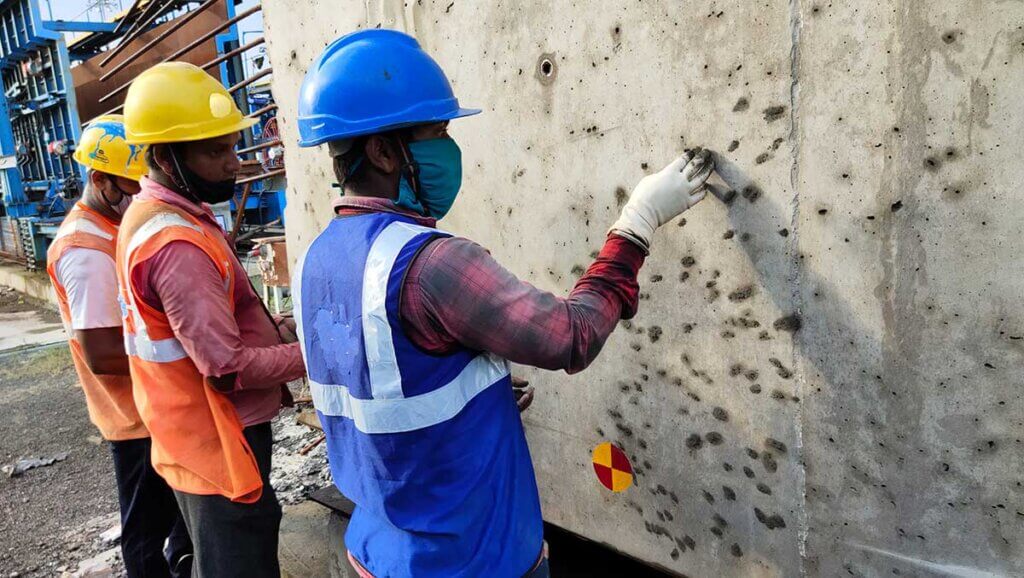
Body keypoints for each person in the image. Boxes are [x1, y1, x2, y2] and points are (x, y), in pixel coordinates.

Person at [293, 29, 714, 578]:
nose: (448, 148)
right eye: (437, 132)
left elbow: (376, 390)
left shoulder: (314, 261)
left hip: (376, 551)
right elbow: (571, 335)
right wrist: (637, 223)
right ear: (381, 149)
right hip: (471, 558)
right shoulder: (433, 265)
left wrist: (477, 397)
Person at [117, 62, 305, 578]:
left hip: (187, 432)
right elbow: (225, 366)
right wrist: (311, 355)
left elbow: (206, 324)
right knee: (238, 561)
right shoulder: (176, 244)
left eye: (231, 147)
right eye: (214, 151)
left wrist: (276, 329)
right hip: (218, 439)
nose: (233, 164)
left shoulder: (160, 213)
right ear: (164, 156)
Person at [46, 116, 193, 577]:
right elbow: (102, 355)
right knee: (146, 532)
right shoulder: (84, 251)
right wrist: (187, 357)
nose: (138, 195)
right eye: (129, 186)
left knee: (176, 521)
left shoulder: (113, 228)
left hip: (155, 407)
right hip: (134, 418)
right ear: (99, 179)